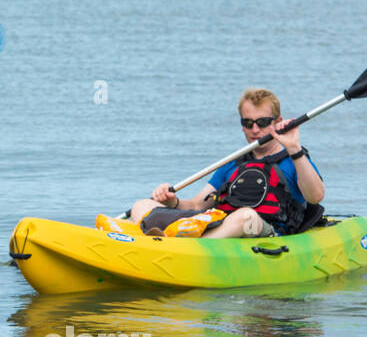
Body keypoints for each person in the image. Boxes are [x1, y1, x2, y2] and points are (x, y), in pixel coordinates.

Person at [124, 88, 324, 238]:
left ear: (277, 122)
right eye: (247, 123)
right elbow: (195, 204)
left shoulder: (293, 159)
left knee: (245, 216)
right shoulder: (232, 163)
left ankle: (188, 246)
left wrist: (294, 148)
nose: (255, 129)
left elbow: (315, 196)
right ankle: (158, 239)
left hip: (265, 232)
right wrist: (172, 203)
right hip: (221, 226)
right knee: (142, 204)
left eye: (262, 122)